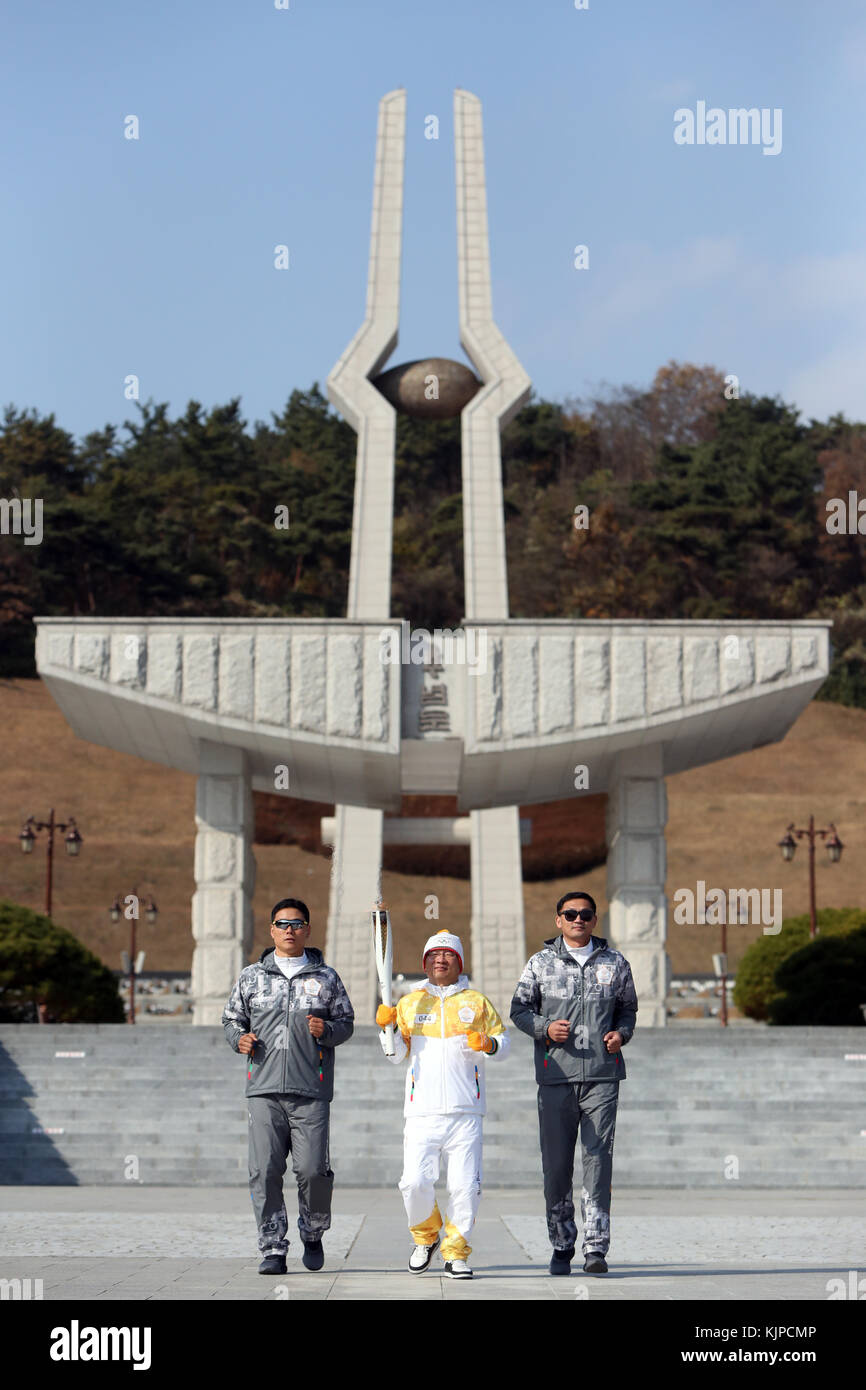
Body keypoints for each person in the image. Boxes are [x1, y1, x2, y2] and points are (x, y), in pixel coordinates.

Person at [222, 898, 354, 1275]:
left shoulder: (326, 977)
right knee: (263, 1170)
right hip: (263, 1089)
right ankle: (273, 1247)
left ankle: (313, 1232)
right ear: (272, 930)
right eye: (282, 924)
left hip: (310, 1089)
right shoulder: (251, 977)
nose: (289, 930)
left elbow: (346, 1023)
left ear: (308, 930)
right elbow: (231, 1019)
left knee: (313, 1169)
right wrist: (239, 1040)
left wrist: (326, 1030)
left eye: (296, 924)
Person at [510, 891, 637, 1277]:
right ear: (558, 920)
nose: (578, 919)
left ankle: (596, 1248)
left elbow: (627, 1009)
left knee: (598, 1162)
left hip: (602, 1075)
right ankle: (562, 1243)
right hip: (556, 1077)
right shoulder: (540, 963)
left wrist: (621, 1034)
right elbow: (518, 1009)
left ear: (594, 920)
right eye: (570, 914)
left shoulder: (615, 963)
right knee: (557, 1167)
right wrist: (545, 1028)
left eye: (585, 914)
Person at [376, 929, 509, 1279]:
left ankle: (455, 1253)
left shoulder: (477, 1002)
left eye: (448, 954)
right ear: (425, 961)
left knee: (465, 1186)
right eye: (434, 954)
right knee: (413, 1183)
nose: (441, 959)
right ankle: (427, 1236)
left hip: (466, 1112)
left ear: (459, 961)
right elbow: (396, 1056)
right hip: (422, 1112)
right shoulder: (409, 1003)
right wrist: (387, 1030)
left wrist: (489, 1044)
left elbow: (504, 1043)